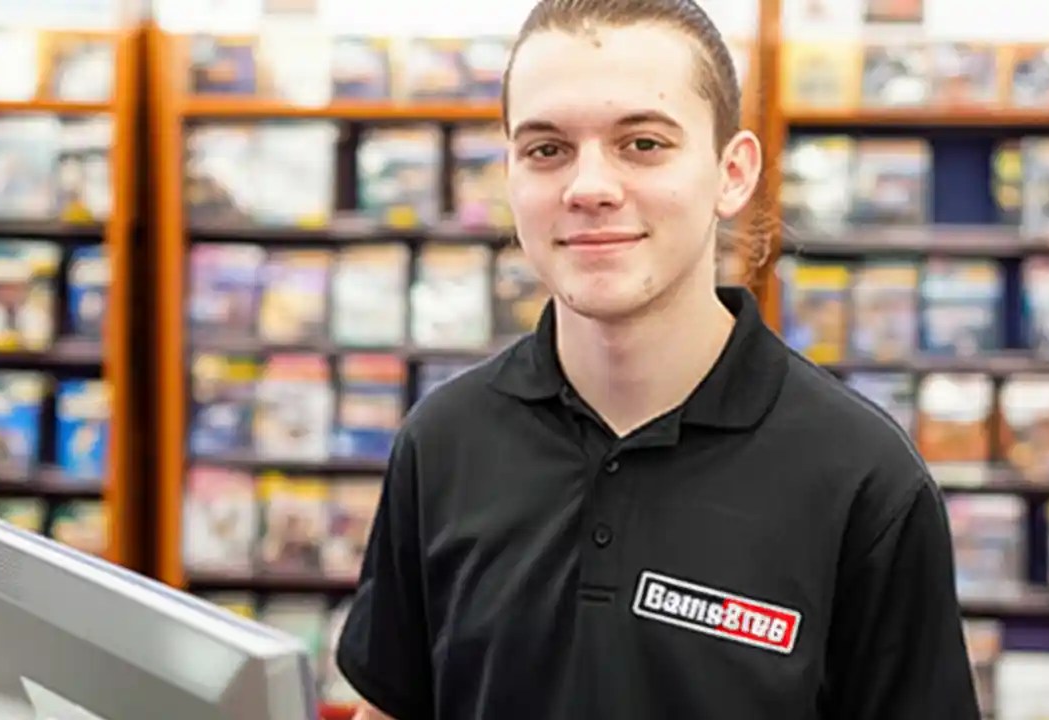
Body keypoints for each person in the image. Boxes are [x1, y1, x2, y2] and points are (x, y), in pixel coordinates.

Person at [334, 1, 982, 718]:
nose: (589, 188)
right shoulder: (442, 440)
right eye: (546, 149)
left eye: (642, 143)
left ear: (731, 173)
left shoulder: (866, 480)